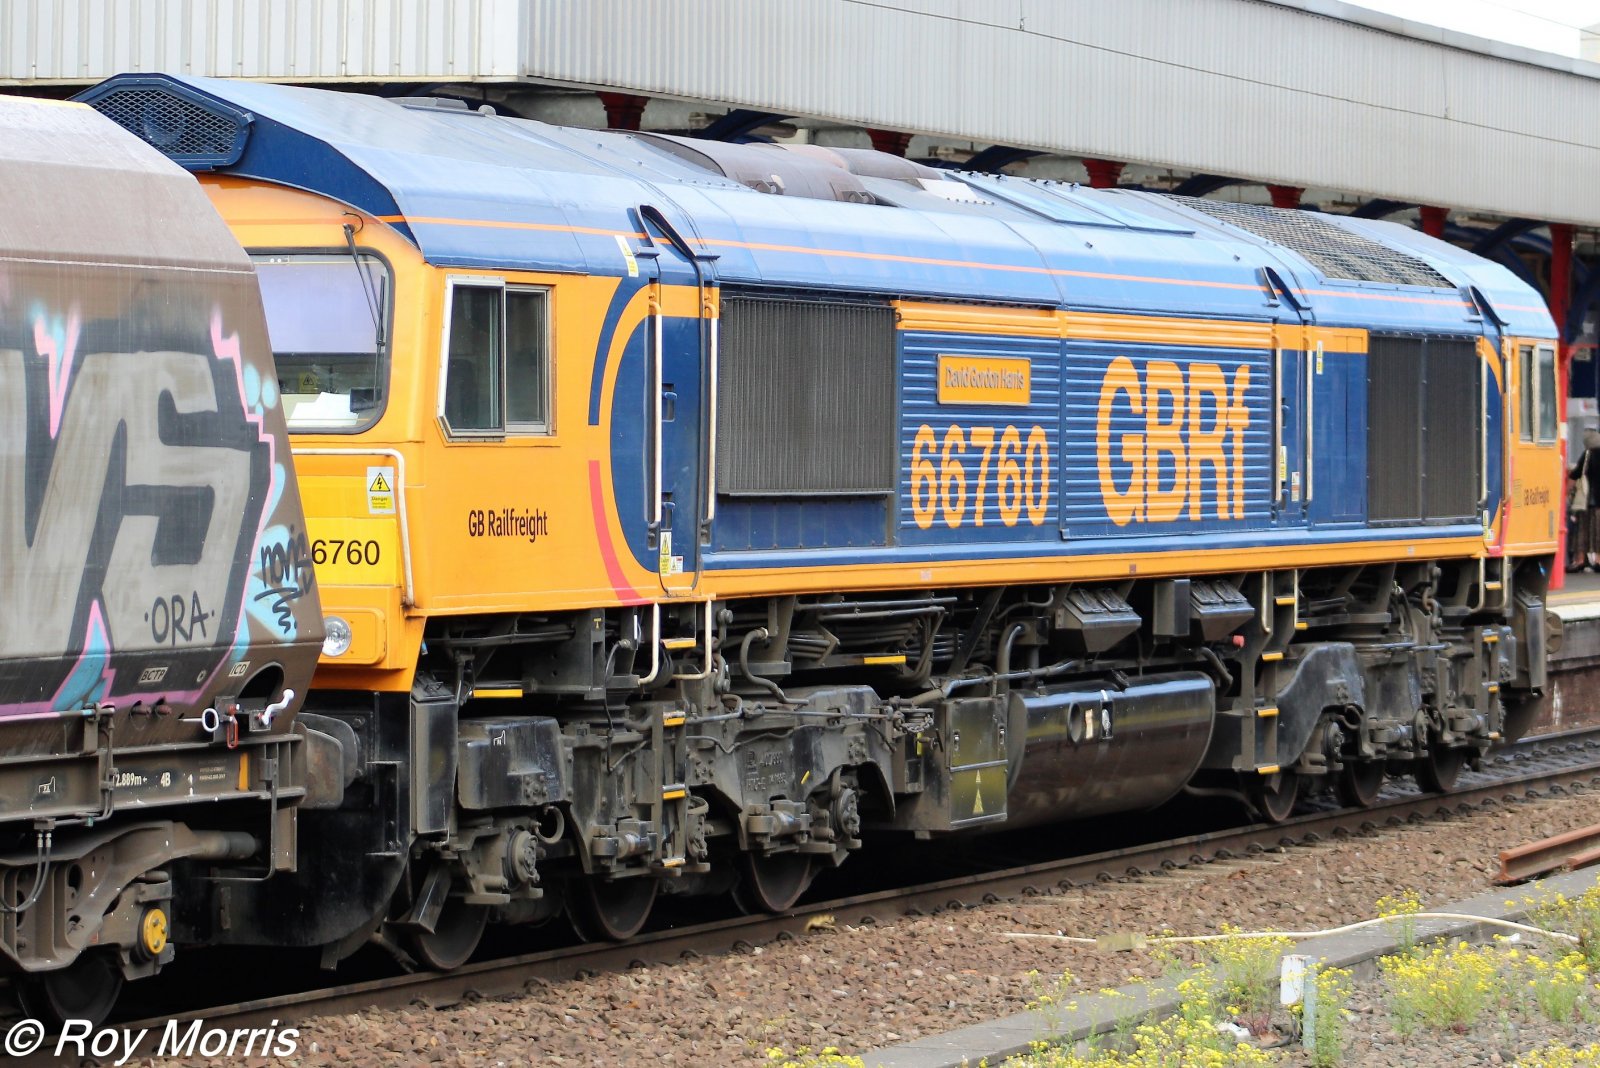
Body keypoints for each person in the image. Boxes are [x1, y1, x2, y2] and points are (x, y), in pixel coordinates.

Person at [1570, 427, 1600, 571]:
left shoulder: (1588, 454)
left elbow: (1576, 474)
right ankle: (1599, 561)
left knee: (1582, 531)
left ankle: (1580, 560)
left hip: (1587, 500)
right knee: (1598, 531)